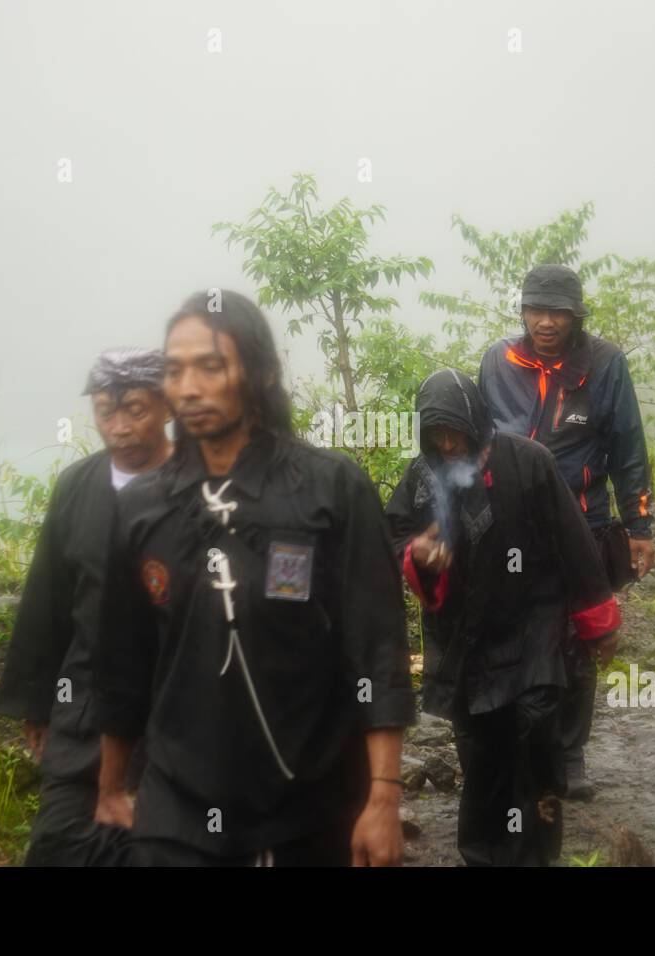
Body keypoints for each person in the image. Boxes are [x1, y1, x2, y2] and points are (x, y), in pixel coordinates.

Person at [93, 290, 414, 866]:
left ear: (259, 372)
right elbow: (123, 661)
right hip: (178, 809)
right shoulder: (142, 509)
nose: (188, 387)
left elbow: (376, 650)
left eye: (210, 366)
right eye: (174, 371)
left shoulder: (329, 490)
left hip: (311, 805)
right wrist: (111, 788)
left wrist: (384, 797)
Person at [385, 368, 619, 866]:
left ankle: (536, 854)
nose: (448, 445)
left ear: (477, 423)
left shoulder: (528, 462)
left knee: (536, 738)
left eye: (456, 432)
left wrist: (597, 624)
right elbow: (394, 538)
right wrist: (418, 553)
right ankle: (482, 855)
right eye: (436, 435)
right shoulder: (419, 481)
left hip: (534, 621)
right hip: (467, 635)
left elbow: (575, 546)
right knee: (481, 752)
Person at [477, 264, 655, 800]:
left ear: (575, 316)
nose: (544, 322)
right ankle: (518, 750)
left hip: (584, 524)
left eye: (556, 312)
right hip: (509, 525)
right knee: (510, 635)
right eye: (535, 310)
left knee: (581, 639)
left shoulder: (604, 365)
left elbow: (628, 449)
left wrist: (640, 525)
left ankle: (570, 755)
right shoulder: (497, 361)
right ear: (522, 311)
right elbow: (475, 438)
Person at [0, 347, 173, 866]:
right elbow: (48, 595)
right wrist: (38, 700)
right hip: (84, 698)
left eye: (135, 409)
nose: (118, 427)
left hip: (172, 702)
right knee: (61, 837)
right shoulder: (78, 486)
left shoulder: (194, 486)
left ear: (165, 407)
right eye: (104, 411)